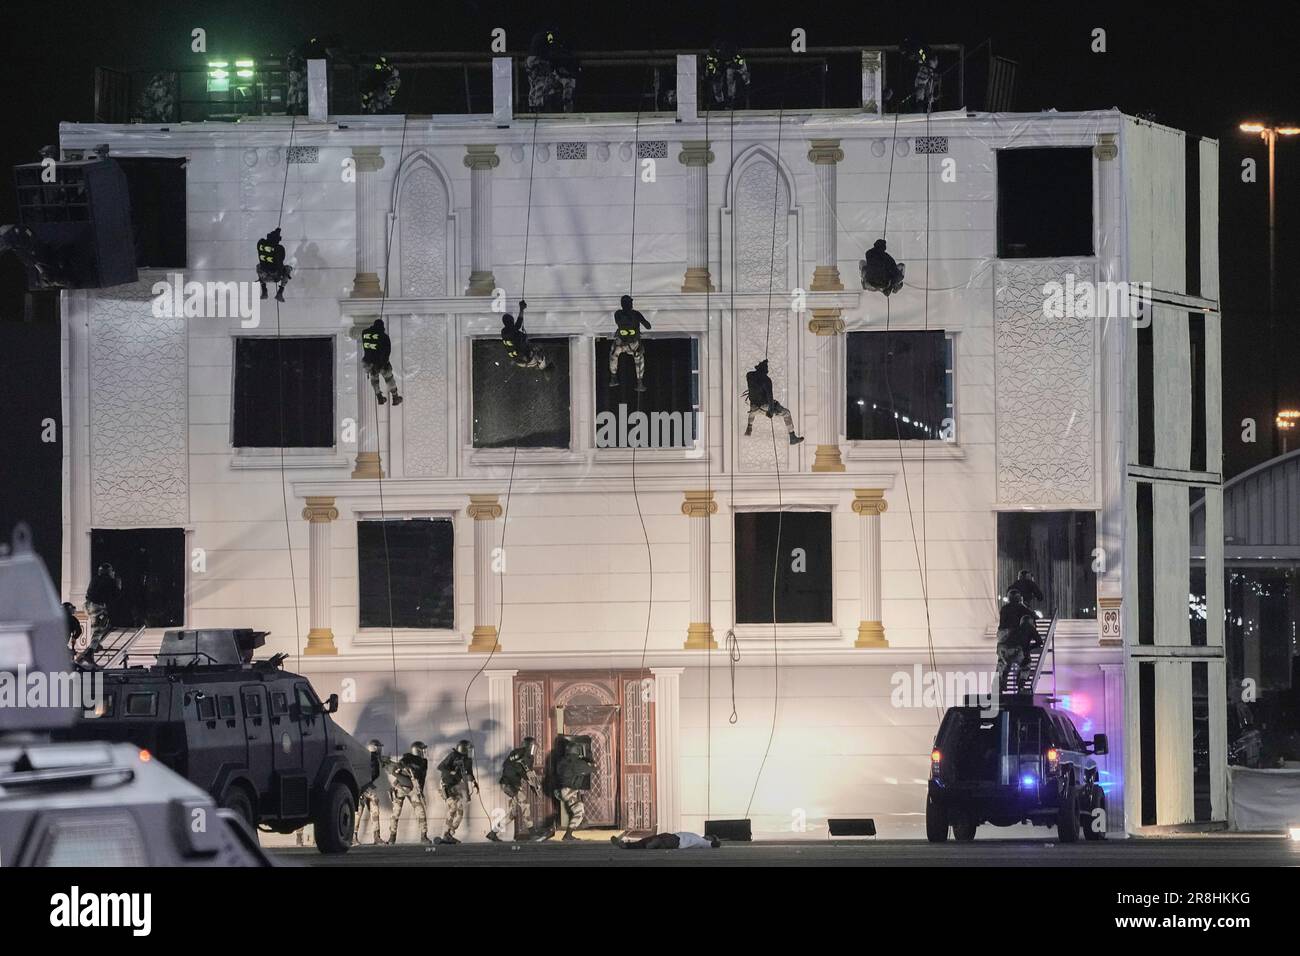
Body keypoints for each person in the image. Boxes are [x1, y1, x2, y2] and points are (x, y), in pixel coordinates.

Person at [488, 736, 543, 842]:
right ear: (529, 746)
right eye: (533, 747)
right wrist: (535, 786)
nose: (534, 750)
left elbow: (508, 766)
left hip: (507, 784)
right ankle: (532, 832)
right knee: (525, 804)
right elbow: (528, 773)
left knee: (513, 813)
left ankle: (493, 833)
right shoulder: (527, 755)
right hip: (512, 785)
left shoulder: (514, 752)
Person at [744, 359, 804, 445]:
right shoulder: (767, 380)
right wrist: (771, 411)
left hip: (753, 408)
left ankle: (749, 427)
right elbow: (770, 397)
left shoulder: (749, 375)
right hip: (765, 407)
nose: (767, 370)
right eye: (766, 367)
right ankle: (792, 436)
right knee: (786, 413)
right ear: (764, 369)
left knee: (753, 411)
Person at [386, 741, 432, 846]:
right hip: (401, 787)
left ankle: (423, 836)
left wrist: (420, 790)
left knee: (420, 811)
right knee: (396, 813)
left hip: (413, 788)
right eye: (422, 749)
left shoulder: (423, 762)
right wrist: (401, 768)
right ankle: (392, 837)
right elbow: (397, 768)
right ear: (418, 750)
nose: (424, 752)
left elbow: (421, 778)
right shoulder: (407, 758)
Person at [551, 735, 595, 841]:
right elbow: (592, 769)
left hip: (561, 790)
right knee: (579, 811)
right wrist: (588, 760)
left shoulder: (562, 761)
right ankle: (568, 835)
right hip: (569, 790)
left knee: (578, 807)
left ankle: (570, 832)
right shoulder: (576, 762)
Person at [434, 739, 478, 845]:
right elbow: (440, 767)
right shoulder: (453, 755)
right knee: (453, 807)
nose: (470, 751)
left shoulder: (468, 760)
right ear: (463, 749)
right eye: (468, 749)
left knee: (460, 811)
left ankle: (449, 833)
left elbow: (469, 773)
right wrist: (451, 771)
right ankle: (444, 833)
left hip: (455, 785)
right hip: (446, 784)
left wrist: (474, 782)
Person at [526, 29, 578, 112]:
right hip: (539, 59)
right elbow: (550, 45)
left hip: (534, 59)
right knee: (540, 83)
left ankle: (534, 107)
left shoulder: (540, 35)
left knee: (535, 84)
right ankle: (537, 108)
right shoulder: (547, 35)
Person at [609, 295, 651, 391]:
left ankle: (613, 377)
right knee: (639, 358)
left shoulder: (618, 314)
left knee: (613, 354)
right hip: (632, 343)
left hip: (621, 343)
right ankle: (639, 381)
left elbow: (618, 321)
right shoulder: (636, 314)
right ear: (630, 304)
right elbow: (648, 326)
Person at [361, 318, 402, 406]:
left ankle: (379, 397)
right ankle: (395, 397)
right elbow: (387, 352)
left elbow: (371, 338)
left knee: (374, 380)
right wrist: (382, 363)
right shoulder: (384, 337)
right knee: (389, 379)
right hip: (381, 363)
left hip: (368, 363)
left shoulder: (364, 333)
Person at [501, 300, 549, 370]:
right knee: (538, 354)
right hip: (523, 359)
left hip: (522, 360)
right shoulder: (508, 331)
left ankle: (542, 367)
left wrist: (521, 309)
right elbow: (518, 324)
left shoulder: (505, 331)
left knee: (538, 354)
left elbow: (518, 324)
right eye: (512, 320)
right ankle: (542, 367)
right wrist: (521, 309)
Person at [354, 739, 385, 845]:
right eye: (379, 747)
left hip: (362, 787)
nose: (381, 749)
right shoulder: (373, 758)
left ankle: (355, 837)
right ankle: (376, 837)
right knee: (367, 811)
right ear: (375, 747)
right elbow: (372, 774)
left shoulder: (364, 756)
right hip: (365, 788)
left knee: (360, 812)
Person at [705, 40, 750, 109]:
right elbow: (710, 64)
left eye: (720, 50)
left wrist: (734, 67)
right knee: (716, 81)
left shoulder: (733, 49)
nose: (718, 51)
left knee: (731, 75)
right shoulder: (712, 52)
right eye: (717, 50)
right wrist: (714, 72)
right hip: (721, 65)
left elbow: (740, 61)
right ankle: (720, 102)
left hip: (734, 65)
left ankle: (731, 99)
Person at [255, 227, 292, 302]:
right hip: (275, 277)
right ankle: (280, 293)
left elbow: (262, 241)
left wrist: (276, 232)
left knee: (259, 266)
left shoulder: (260, 244)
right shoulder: (279, 248)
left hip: (264, 276)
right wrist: (280, 275)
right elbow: (280, 262)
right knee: (288, 268)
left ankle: (264, 291)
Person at [611, 832, 721, 850]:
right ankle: (625, 845)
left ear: (711, 839)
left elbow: (716, 845)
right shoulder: (698, 837)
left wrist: (717, 840)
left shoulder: (704, 843)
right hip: (673, 836)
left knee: (659, 840)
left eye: (710, 836)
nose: (707, 836)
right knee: (646, 840)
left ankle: (654, 844)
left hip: (677, 841)